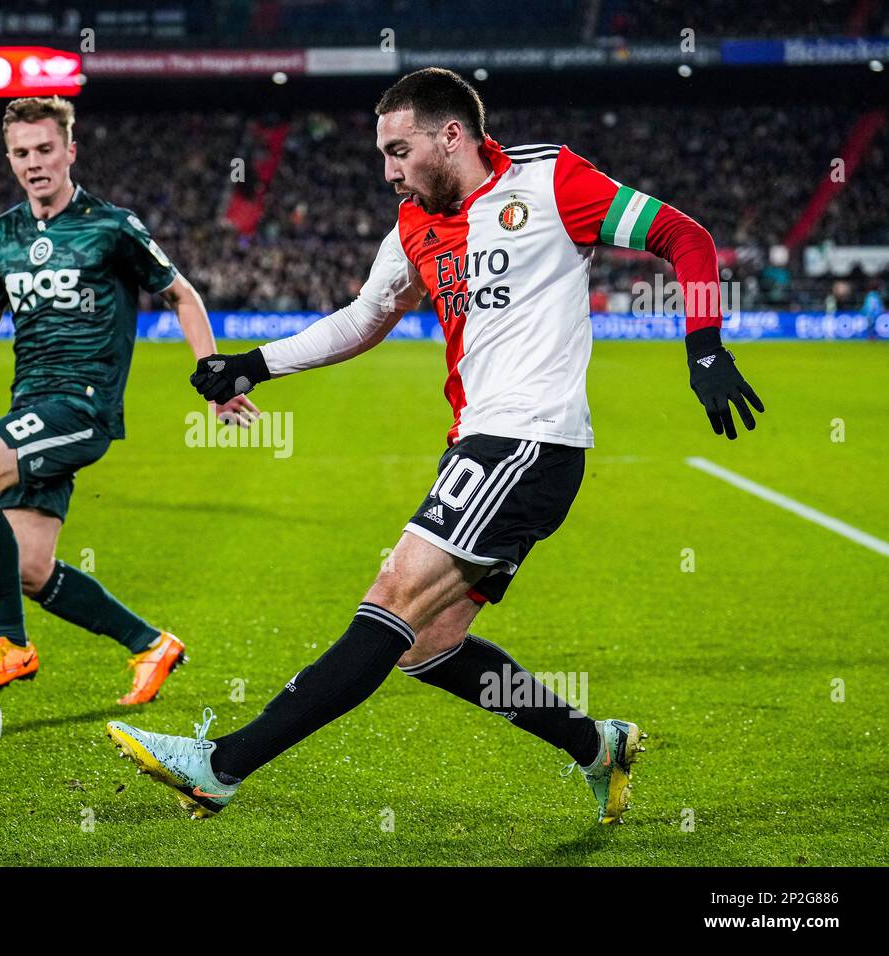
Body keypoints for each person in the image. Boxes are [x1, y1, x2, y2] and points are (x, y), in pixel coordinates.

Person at [107, 68, 764, 823]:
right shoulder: (413, 225)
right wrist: (252, 364)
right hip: (484, 444)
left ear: (451, 136)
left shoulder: (551, 182)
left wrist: (705, 347)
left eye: (398, 151)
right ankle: (596, 744)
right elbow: (362, 318)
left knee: (391, 599)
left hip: (528, 440)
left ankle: (222, 764)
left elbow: (685, 236)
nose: (388, 172)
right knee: (429, 645)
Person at [0, 96, 258, 705]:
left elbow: (183, 296)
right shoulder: (1, 235)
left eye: (44, 149)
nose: (34, 162)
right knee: (28, 569)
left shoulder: (111, 226)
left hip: (81, 405)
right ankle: (150, 644)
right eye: (21, 153)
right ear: (9, 159)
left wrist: (215, 377)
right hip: (29, 407)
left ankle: (10, 643)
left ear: (70, 150)